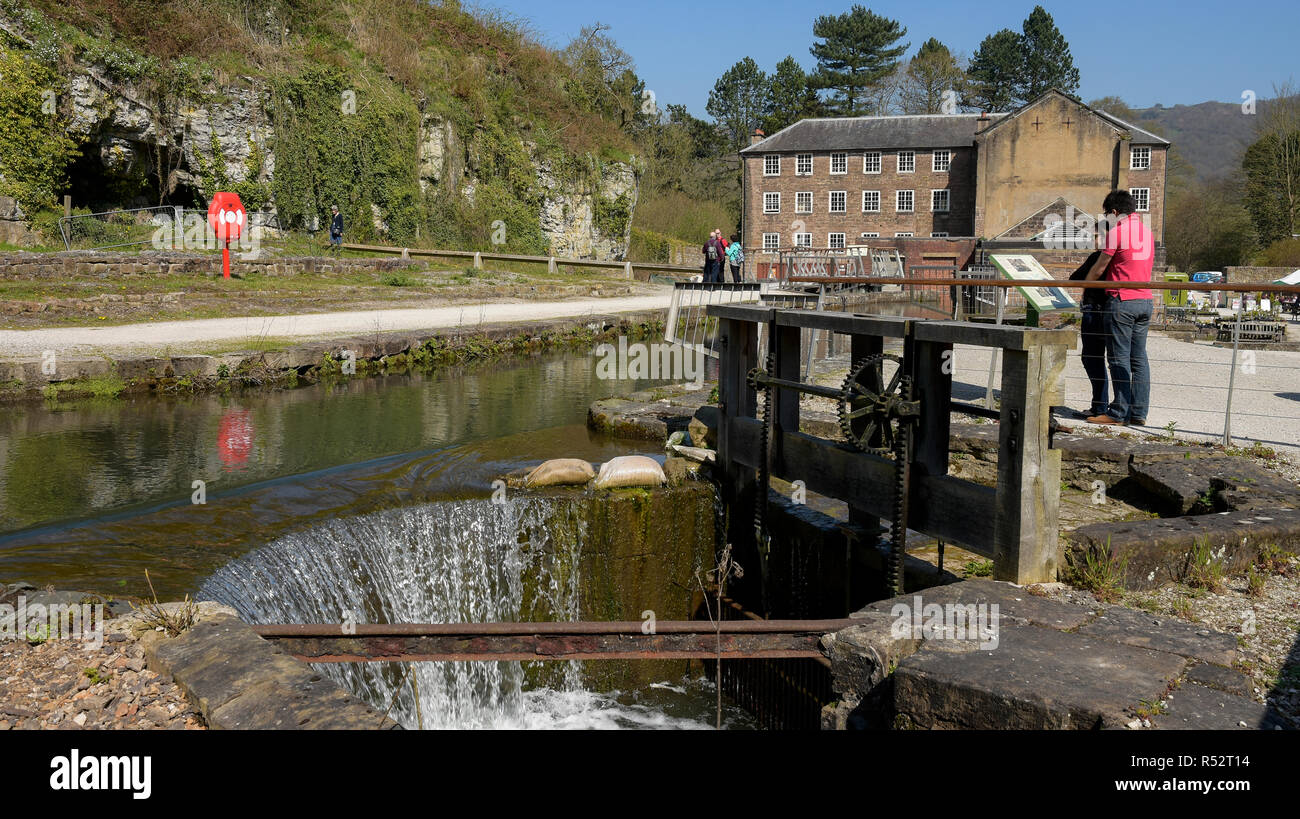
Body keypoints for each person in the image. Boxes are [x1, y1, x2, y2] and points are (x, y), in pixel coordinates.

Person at [1083, 190, 1154, 426]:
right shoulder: (1146, 232)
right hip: (1145, 299)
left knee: (1118, 358)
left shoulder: (1117, 232)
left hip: (1122, 300)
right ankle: (1138, 412)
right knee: (1139, 359)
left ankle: (1117, 413)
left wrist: (1086, 285)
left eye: (1107, 214)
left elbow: (1100, 267)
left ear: (1114, 212)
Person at [1069, 249, 1110, 418]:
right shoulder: (1121, 259)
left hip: (1095, 310)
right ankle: (1121, 408)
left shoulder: (1098, 256)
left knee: (1092, 358)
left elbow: (1075, 278)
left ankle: (1100, 406)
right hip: (1114, 309)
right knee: (1117, 361)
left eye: (1096, 235)